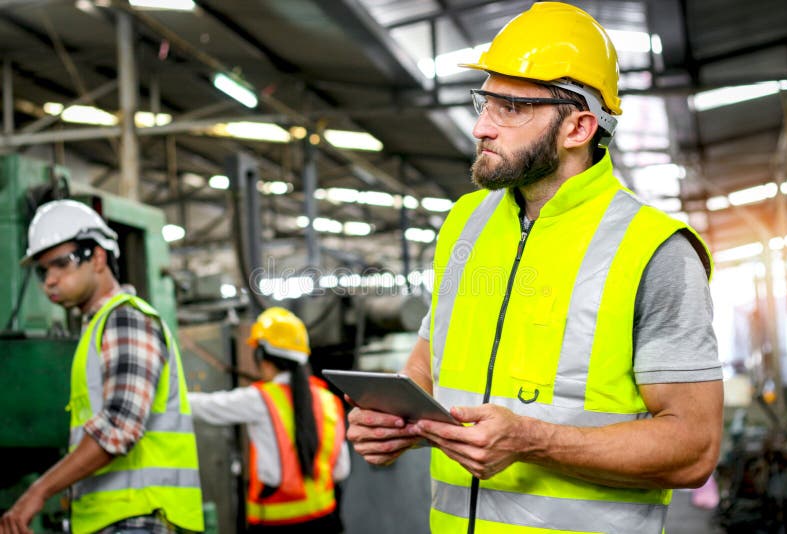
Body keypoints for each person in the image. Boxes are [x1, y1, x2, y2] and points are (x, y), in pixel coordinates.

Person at [346, 3, 723, 533]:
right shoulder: (465, 224)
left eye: (511, 108)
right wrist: (394, 418)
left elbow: (694, 448)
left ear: (578, 127)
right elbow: (431, 360)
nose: (481, 126)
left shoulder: (654, 251)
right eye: (484, 101)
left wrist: (530, 440)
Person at [1, 200, 204, 534]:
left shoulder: (125, 319)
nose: (48, 280)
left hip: (139, 518)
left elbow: (118, 429)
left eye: (60, 264)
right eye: (42, 271)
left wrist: (37, 492)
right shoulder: (97, 331)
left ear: (97, 257)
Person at [188, 307, 349, 533]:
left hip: (275, 526)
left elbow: (205, 407)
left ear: (262, 356)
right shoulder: (329, 400)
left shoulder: (260, 400)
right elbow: (341, 470)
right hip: (326, 521)